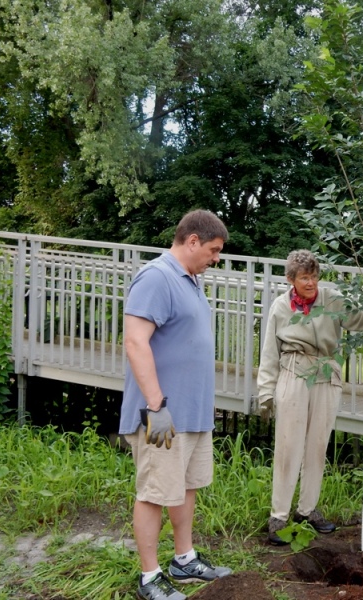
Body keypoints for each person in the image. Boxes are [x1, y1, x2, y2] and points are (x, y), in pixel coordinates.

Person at [119, 210, 232, 600]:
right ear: (193, 241)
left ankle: (184, 560)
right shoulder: (157, 277)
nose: (216, 258)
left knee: (186, 486)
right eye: (214, 250)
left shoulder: (193, 280)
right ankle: (149, 577)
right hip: (162, 414)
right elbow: (135, 341)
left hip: (193, 411)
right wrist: (156, 406)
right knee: (154, 491)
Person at [257, 249, 363, 545]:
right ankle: (278, 515)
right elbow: (270, 352)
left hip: (326, 372)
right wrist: (266, 393)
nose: (311, 283)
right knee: (288, 445)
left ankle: (307, 510)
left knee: (318, 445)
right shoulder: (281, 307)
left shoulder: (331, 298)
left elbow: (361, 320)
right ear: (291, 279)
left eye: (315, 276)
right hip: (294, 371)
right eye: (305, 277)